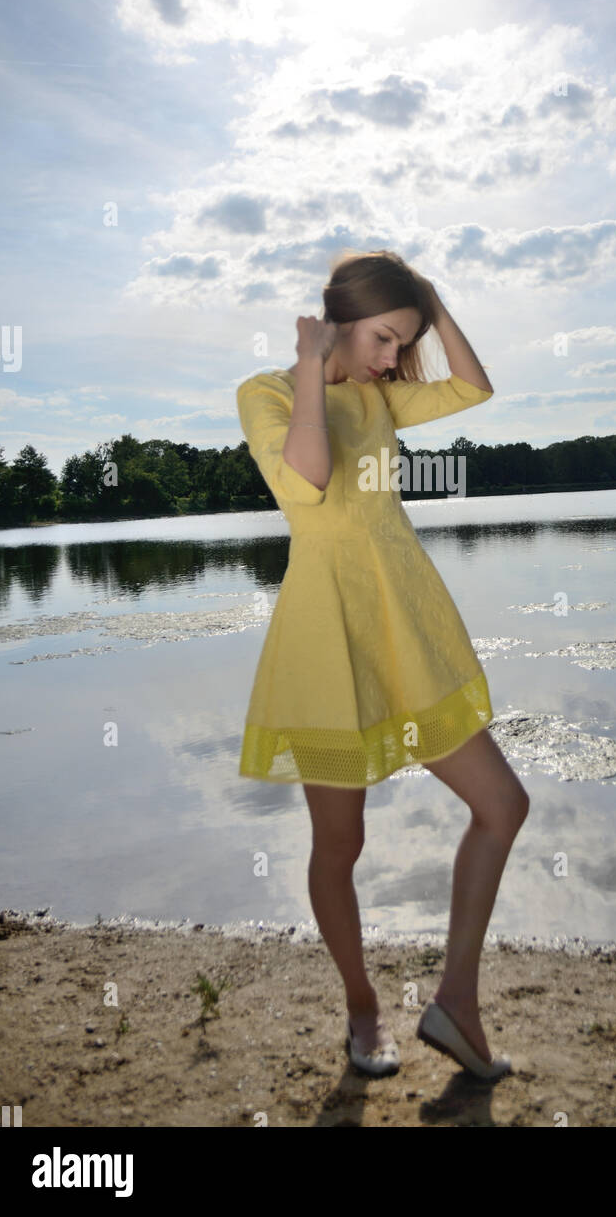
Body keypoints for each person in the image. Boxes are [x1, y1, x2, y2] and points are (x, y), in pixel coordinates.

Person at [236, 249, 529, 1081]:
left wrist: (429, 297)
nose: (392, 359)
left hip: (404, 619)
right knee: (341, 840)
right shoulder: (265, 393)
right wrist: (306, 364)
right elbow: (310, 481)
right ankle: (362, 1007)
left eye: (402, 344)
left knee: (502, 804)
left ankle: (455, 1003)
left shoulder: (378, 395)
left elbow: (474, 389)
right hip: (326, 635)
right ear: (339, 319)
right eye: (384, 339)